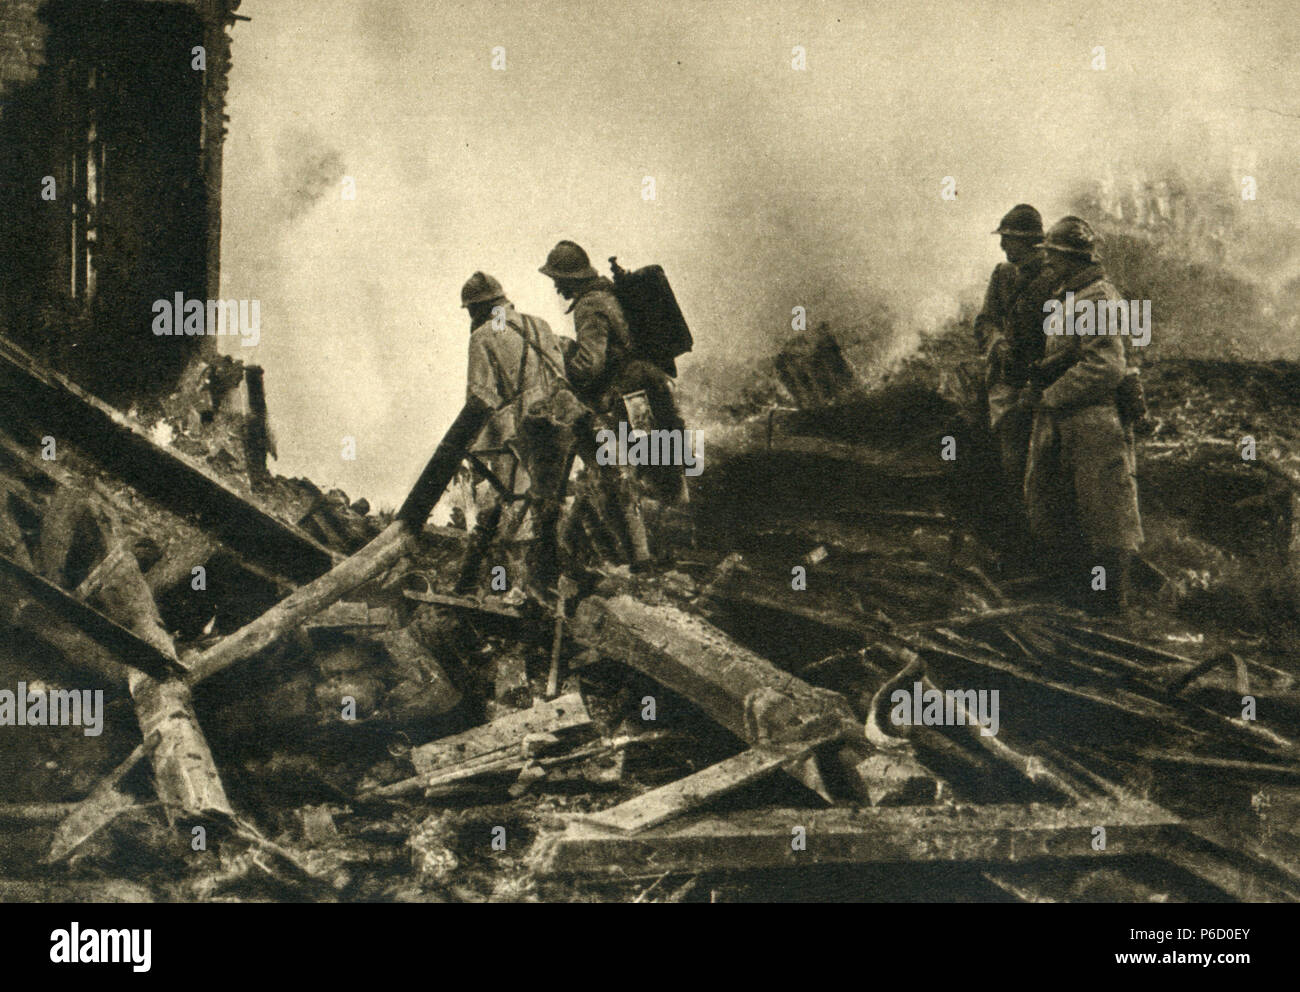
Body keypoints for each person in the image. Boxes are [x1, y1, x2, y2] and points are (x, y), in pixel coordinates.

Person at [1022, 216, 1143, 615]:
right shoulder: (1075, 294)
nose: (1049, 263)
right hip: (1071, 419)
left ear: (1070, 258)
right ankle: (1081, 601)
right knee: (1067, 509)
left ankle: (1111, 609)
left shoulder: (1096, 299)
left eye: (1054, 256)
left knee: (1105, 517)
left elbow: (1106, 366)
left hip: (1094, 420)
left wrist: (1051, 396)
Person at [453, 271, 569, 595]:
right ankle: (546, 587)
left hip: (515, 436)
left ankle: (505, 592)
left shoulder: (483, 336)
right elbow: (562, 376)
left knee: (510, 516)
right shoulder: (540, 325)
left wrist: (468, 448)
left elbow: (479, 399)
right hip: (555, 430)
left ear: (477, 309)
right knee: (548, 509)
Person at [538, 240, 653, 568]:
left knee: (614, 473)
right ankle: (634, 553)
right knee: (621, 472)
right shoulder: (606, 295)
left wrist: (562, 367)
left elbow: (590, 365)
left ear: (570, 277)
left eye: (558, 278)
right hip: (632, 394)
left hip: (613, 400)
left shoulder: (590, 305)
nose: (556, 285)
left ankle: (637, 557)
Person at [979, 204, 1054, 550]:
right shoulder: (1003, 275)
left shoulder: (1054, 281)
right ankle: (1018, 538)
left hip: (1041, 387)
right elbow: (985, 320)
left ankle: (1039, 543)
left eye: (1009, 240)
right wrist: (996, 341)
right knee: (1009, 462)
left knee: (1040, 469)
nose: (1003, 247)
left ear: (1030, 243)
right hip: (1007, 386)